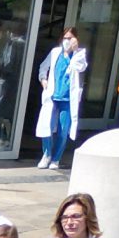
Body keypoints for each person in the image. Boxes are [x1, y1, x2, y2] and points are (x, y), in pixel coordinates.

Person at [34, 29, 87, 170]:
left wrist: (75, 51)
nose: (67, 41)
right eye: (65, 38)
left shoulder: (80, 54)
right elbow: (43, 68)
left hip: (68, 99)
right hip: (52, 96)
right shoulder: (55, 52)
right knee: (47, 127)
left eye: (70, 38)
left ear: (76, 39)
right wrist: (43, 79)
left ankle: (56, 159)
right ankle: (46, 155)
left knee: (63, 131)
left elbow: (81, 67)